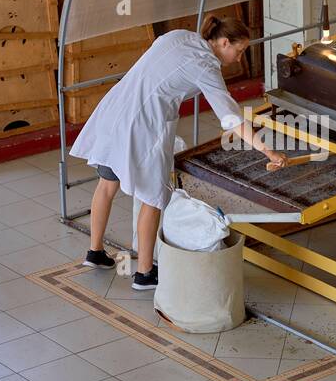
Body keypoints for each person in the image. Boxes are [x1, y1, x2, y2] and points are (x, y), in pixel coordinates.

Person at [70, 16, 287, 290]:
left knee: (106, 185)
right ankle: (145, 274)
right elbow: (230, 116)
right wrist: (266, 149)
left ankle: (95, 252)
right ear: (223, 42)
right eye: (239, 50)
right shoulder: (206, 65)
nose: (240, 58)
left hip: (118, 109)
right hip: (144, 125)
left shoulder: (180, 36)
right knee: (153, 198)